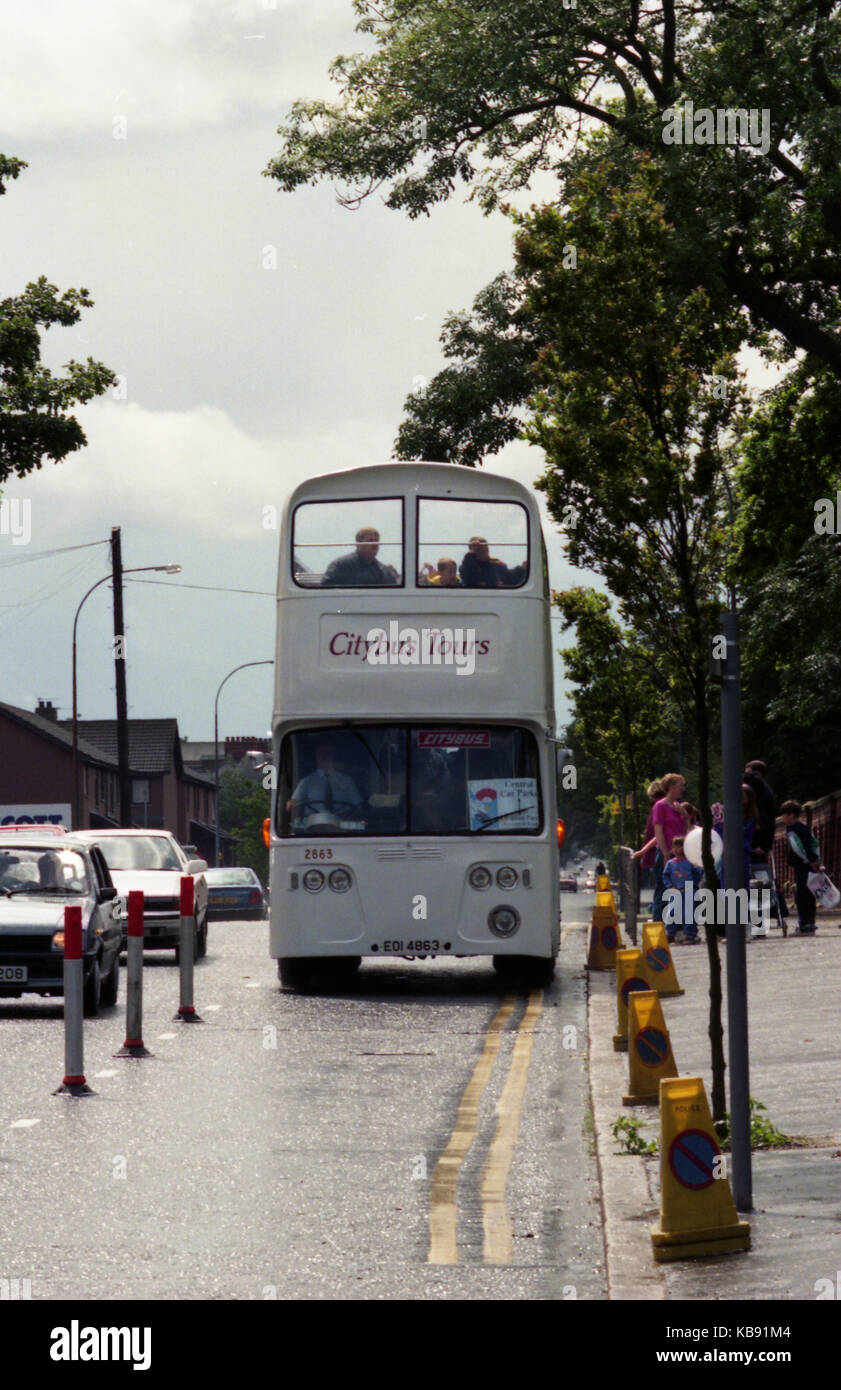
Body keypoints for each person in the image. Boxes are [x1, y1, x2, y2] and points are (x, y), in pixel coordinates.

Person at [287, 740, 364, 826]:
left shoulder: (347, 781)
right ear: (316, 755)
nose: (325, 755)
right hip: (311, 829)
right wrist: (291, 804)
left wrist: (348, 817)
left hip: (342, 827)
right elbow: (292, 805)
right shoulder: (306, 782)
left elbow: (359, 807)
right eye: (321, 752)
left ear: (334, 755)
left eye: (328, 752)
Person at [780, 800, 824, 934]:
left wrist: (807, 860)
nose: (782, 818)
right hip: (812, 864)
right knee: (811, 893)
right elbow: (814, 843)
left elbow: (797, 846)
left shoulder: (792, 829)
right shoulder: (805, 828)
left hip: (802, 865)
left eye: (784, 815)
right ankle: (810, 922)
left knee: (802, 895)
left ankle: (804, 924)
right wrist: (817, 860)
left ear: (791, 815)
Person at [648, 774, 688, 923]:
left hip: (680, 853)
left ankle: (675, 925)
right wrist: (665, 853)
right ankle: (658, 923)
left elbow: (684, 830)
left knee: (679, 891)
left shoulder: (677, 805)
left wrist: (684, 815)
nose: (682, 789)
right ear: (671, 787)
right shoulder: (660, 806)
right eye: (680, 785)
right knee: (663, 888)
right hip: (667, 852)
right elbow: (658, 831)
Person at [321, 527, 399, 586]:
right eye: (370, 541)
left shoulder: (384, 571)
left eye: (376, 541)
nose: (374, 544)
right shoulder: (341, 565)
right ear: (358, 544)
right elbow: (326, 586)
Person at [662, 836, 703, 943]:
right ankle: (670, 933)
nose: (676, 850)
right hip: (675, 891)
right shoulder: (670, 863)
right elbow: (665, 876)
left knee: (688, 913)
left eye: (679, 847)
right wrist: (670, 886)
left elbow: (697, 873)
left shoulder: (690, 862)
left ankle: (690, 934)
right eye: (674, 847)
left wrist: (693, 884)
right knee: (671, 912)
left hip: (688, 890)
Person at [459, 536, 528, 588]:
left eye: (485, 548)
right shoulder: (467, 567)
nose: (484, 552)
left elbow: (511, 579)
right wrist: (470, 555)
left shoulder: (497, 565)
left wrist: (522, 569)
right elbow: (468, 579)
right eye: (479, 549)